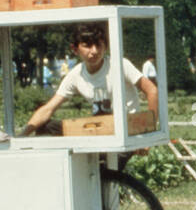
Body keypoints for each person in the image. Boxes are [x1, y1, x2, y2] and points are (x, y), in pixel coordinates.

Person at [19, 23, 159, 136]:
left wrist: (149, 133)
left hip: (128, 130)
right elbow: (48, 109)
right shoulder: (76, 74)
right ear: (75, 49)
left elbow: (152, 91)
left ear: (105, 47)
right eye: (87, 46)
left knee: (100, 168)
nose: (94, 51)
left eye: (98, 45)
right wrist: (21, 136)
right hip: (101, 130)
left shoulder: (120, 65)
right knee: (46, 127)